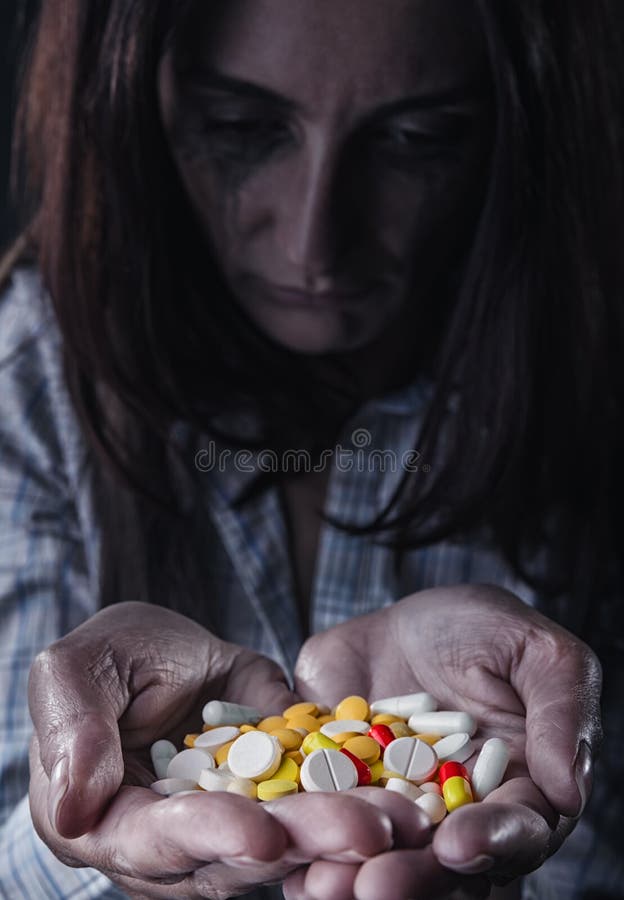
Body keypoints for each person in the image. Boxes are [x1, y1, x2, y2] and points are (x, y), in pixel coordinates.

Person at [0, 0, 622, 898]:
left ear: (512, 122)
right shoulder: (29, 377)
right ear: (134, 104)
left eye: (415, 138)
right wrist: (84, 830)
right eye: (241, 125)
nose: (313, 243)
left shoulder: (590, 382)